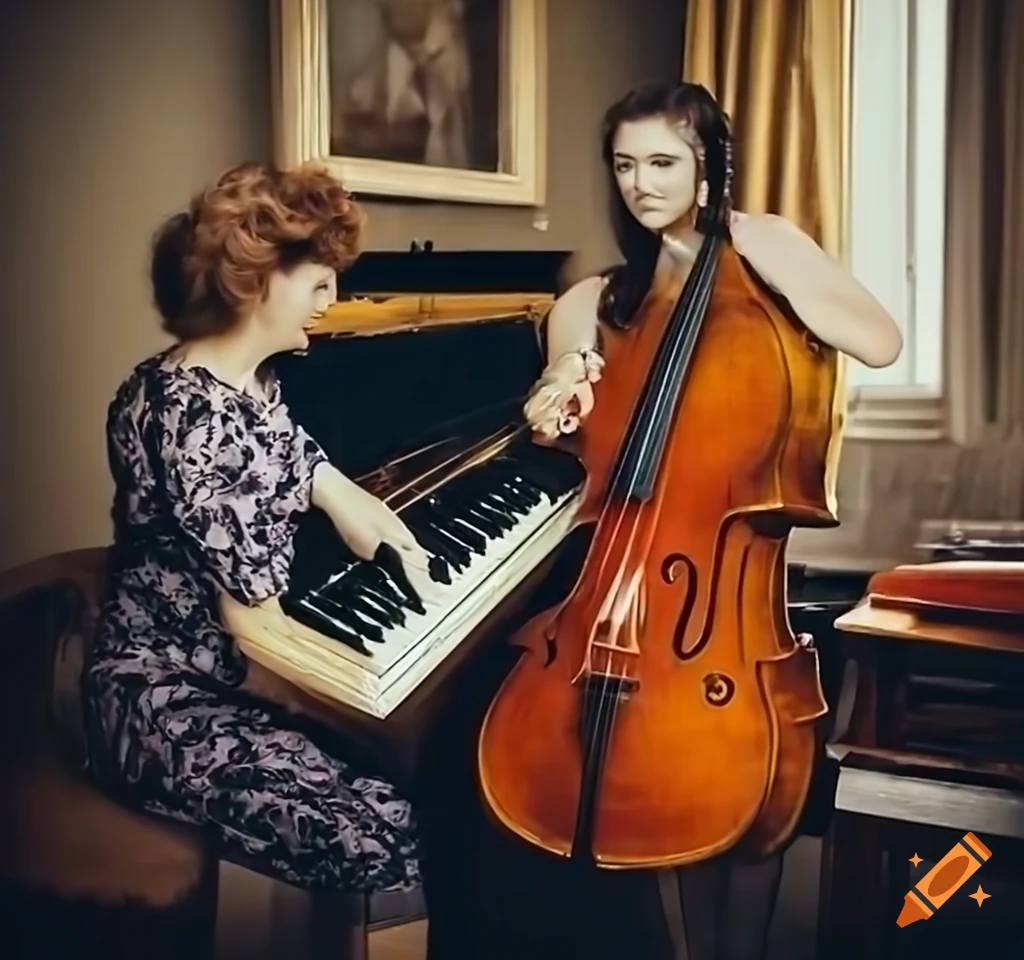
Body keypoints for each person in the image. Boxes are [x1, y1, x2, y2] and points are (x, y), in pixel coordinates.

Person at [515, 81, 903, 959]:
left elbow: (879, 343)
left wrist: (765, 256)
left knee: (752, 801)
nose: (642, 183)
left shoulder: (762, 255)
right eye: (625, 165)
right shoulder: (592, 305)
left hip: (723, 609)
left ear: (707, 167)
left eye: (663, 162)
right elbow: (558, 408)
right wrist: (559, 393)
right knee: (653, 794)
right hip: (622, 609)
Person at [82, 161, 437, 912]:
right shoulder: (193, 419)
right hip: (174, 702)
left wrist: (418, 567)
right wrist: (399, 701)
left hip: (241, 679)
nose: (333, 298)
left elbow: (338, 492)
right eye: (319, 279)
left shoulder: (252, 386)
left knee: (434, 783)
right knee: (398, 827)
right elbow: (260, 633)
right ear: (260, 281)